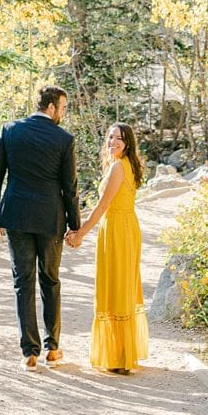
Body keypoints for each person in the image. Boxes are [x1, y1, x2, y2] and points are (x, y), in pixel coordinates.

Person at [0, 86, 80, 369]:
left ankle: (30, 351)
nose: (63, 113)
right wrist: (75, 225)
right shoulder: (63, 139)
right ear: (51, 107)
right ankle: (53, 347)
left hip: (16, 215)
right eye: (63, 108)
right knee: (50, 280)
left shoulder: (10, 130)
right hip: (51, 219)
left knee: (22, 282)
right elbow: (70, 187)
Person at [67, 123, 149, 374]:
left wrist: (80, 233)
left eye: (120, 139)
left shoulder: (117, 167)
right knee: (121, 285)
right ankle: (120, 354)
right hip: (124, 227)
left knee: (116, 286)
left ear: (128, 144)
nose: (113, 141)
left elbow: (102, 206)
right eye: (111, 136)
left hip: (117, 229)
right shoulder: (128, 164)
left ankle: (119, 356)